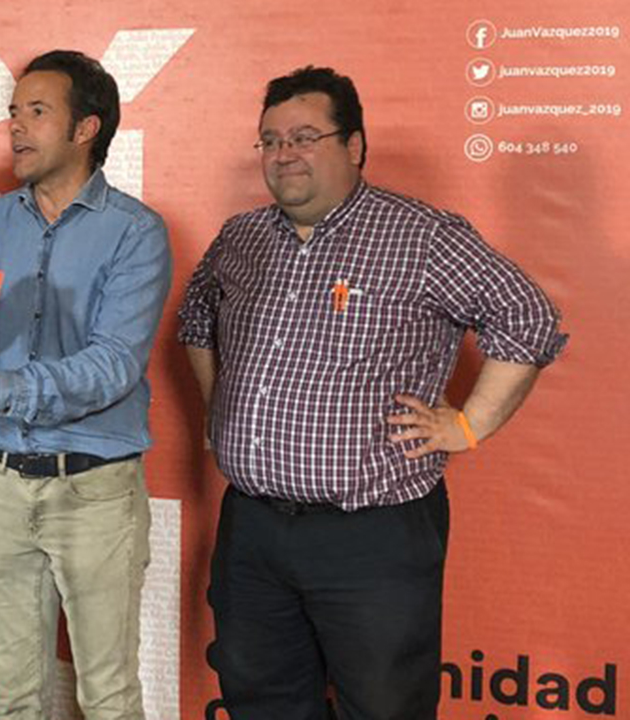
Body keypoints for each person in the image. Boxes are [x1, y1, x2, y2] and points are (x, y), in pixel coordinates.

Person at [176, 66, 567, 720]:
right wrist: (223, 410)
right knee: (261, 702)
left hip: (372, 536)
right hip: (253, 530)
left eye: (304, 136)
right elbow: (195, 319)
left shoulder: (421, 236)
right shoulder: (241, 238)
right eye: (270, 141)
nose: (284, 154)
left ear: (353, 145)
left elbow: (528, 319)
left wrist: (466, 426)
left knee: (385, 708)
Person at [0, 50, 172, 720]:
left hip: (95, 489)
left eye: (37, 112)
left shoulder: (136, 232)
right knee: (16, 697)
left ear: (86, 128)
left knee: (109, 696)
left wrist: (1, 384)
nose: (16, 128)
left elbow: (115, 364)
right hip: (3, 481)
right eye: (13, 112)